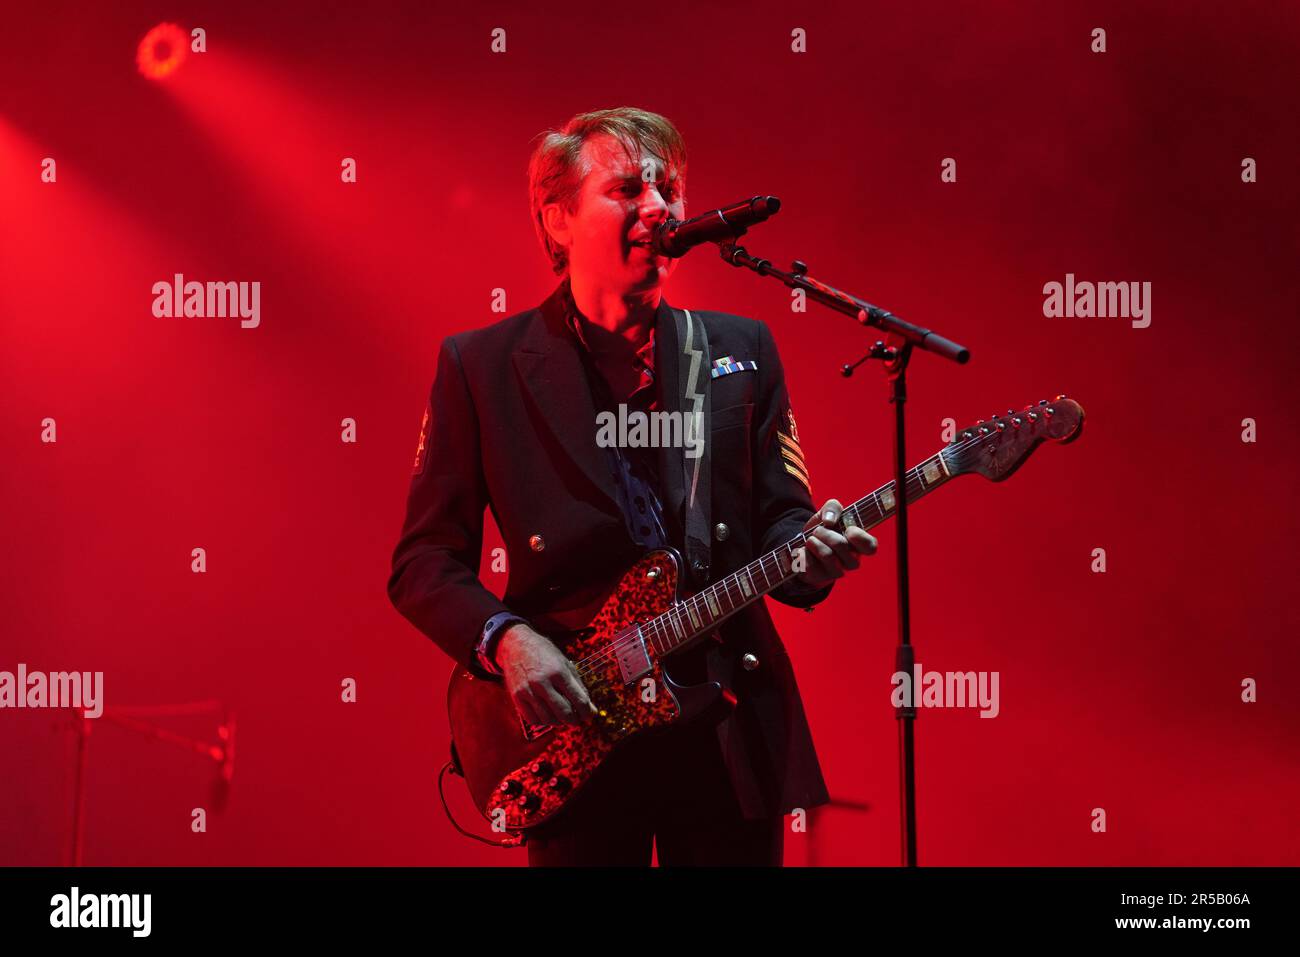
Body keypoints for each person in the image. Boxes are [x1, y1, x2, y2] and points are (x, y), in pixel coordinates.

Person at [388, 107, 876, 866]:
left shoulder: (740, 350)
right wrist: (507, 639)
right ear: (557, 220)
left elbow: (785, 519)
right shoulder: (481, 367)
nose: (660, 207)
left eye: (670, 188)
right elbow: (423, 562)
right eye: (627, 188)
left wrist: (812, 553)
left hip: (725, 724)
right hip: (580, 735)